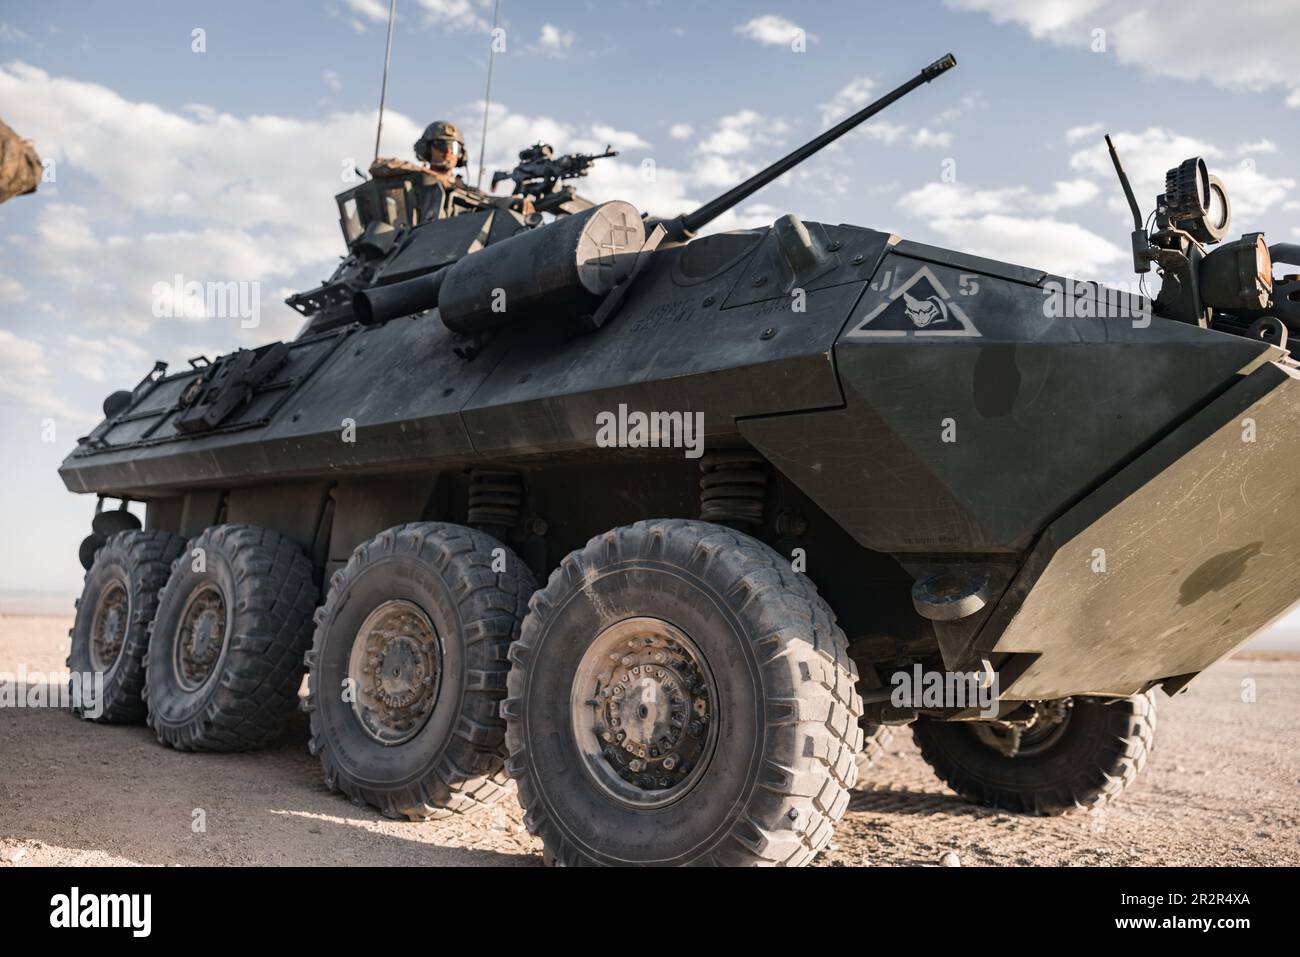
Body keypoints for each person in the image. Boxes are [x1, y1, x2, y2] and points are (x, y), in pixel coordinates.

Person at [370, 120, 532, 220]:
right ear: (425, 149)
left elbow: (487, 200)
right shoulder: (412, 178)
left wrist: (512, 201)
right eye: (441, 146)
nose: (448, 152)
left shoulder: (465, 190)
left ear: (461, 155)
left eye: (454, 148)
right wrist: (432, 176)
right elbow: (378, 166)